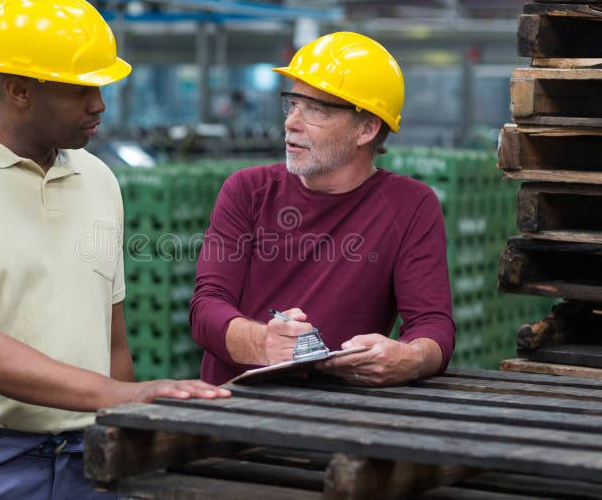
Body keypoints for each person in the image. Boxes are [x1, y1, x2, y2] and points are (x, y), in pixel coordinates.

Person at [0, 0, 229, 499]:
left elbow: (111, 339)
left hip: (85, 457)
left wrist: (124, 424)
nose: (99, 104)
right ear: (19, 89)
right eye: (79, 90)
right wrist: (119, 395)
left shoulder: (98, 179)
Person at [190, 32, 455, 386]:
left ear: (366, 128)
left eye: (315, 109)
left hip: (339, 411)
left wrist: (411, 356)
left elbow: (433, 325)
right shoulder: (247, 191)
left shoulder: (410, 206)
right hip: (235, 403)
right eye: (293, 103)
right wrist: (264, 343)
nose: (291, 122)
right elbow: (206, 309)